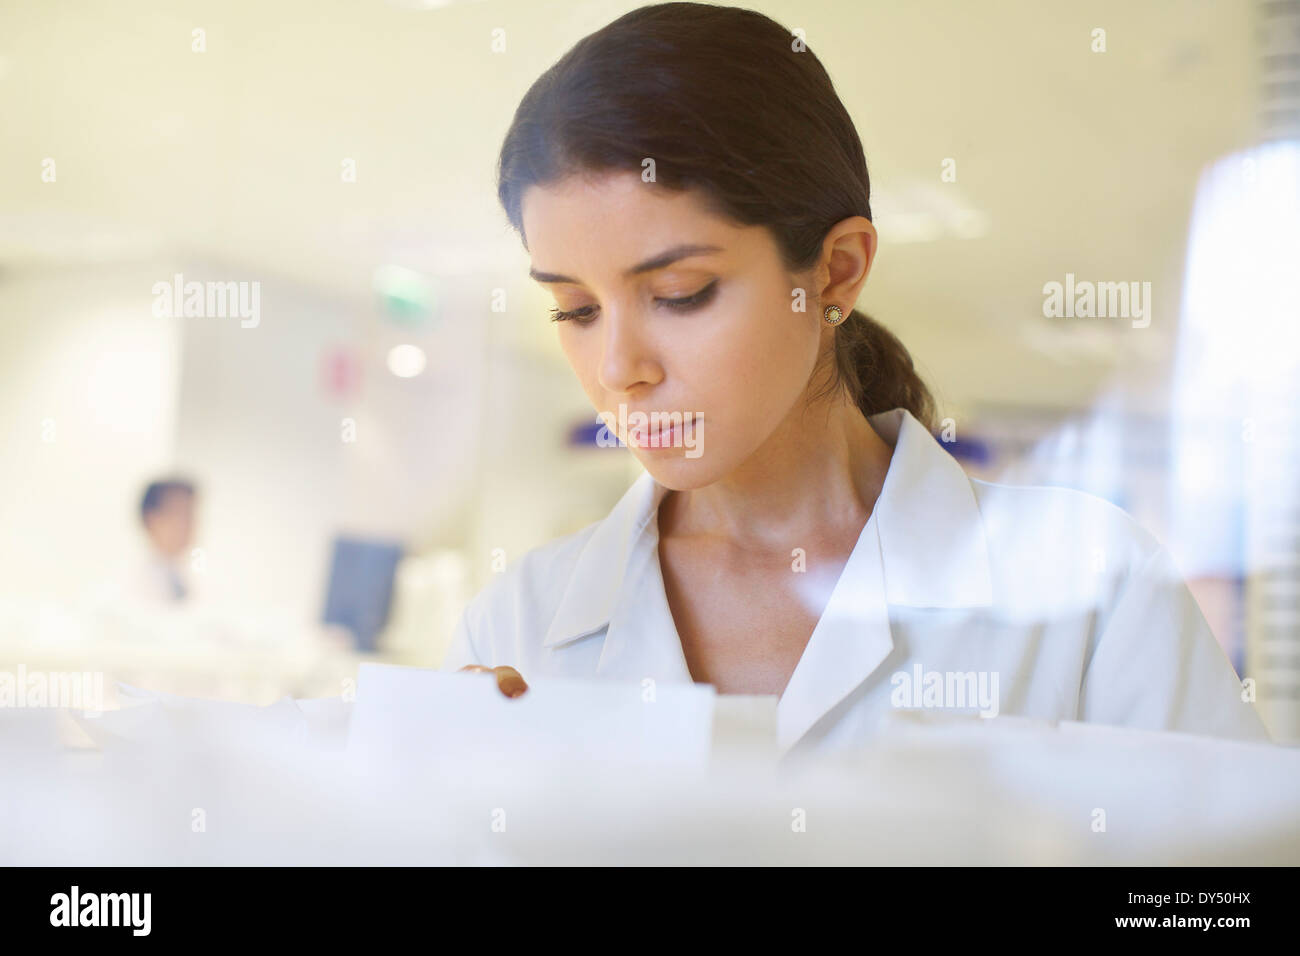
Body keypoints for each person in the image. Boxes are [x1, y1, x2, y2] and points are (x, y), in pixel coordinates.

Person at [442, 2, 1272, 753]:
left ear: (835, 273)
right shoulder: (517, 624)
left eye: (678, 294)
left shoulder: (1099, 594)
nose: (620, 370)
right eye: (575, 311)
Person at [130, 478, 198, 605]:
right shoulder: (128, 587)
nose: (188, 524)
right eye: (179, 514)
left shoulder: (191, 579)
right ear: (151, 519)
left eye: (190, 514)